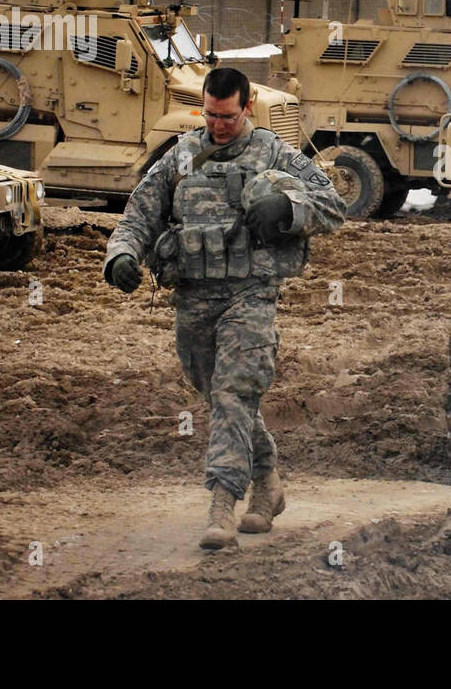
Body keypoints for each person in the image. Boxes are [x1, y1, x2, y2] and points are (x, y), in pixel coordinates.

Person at [103, 67, 345, 550]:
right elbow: (140, 211)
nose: (218, 125)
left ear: (247, 107)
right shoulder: (183, 155)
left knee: (235, 391)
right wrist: (121, 256)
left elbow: (334, 205)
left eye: (228, 117)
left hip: (251, 293)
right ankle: (268, 482)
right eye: (210, 115)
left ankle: (222, 503)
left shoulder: (277, 154)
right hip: (193, 297)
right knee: (219, 396)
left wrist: (289, 210)